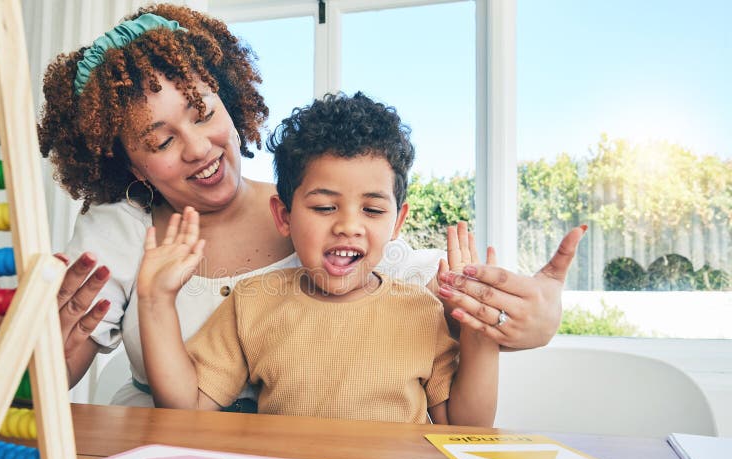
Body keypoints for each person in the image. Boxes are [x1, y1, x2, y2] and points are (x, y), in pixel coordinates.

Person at [32, 4, 582, 408]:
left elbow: (430, 292)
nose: (198, 148)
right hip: (171, 446)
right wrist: (28, 344)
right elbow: (56, 372)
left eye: (203, 115)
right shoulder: (118, 232)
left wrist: (536, 311)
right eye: (161, 141)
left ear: (230, 100)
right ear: (128, 164)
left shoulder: (316, 209)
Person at [137, 92, 499, 425]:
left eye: (372, 210)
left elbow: (465, 430)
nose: (348, 226)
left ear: (397, 223)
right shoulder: (251, 303)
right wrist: (156, 302)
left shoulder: (423, 311)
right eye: (325, 207)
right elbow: (185, 409)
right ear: (284, 216)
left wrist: (479, 334)